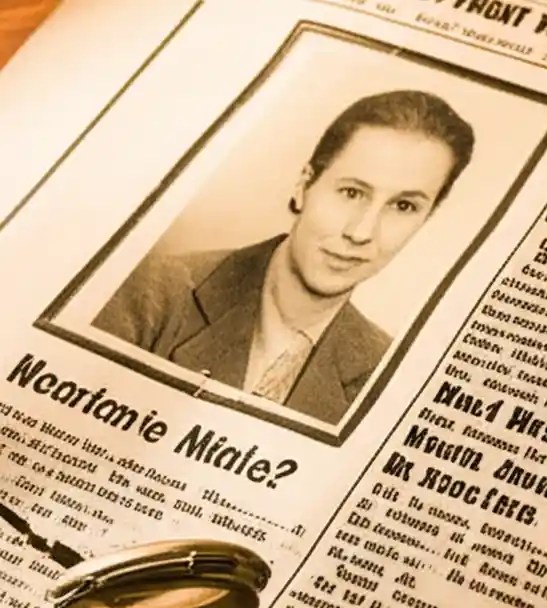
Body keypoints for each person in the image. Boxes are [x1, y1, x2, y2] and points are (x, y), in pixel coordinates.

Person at [92, 89, 475, 424]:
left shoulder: (387, 373)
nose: (360, 232)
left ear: (426, 220)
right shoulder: (155, 292)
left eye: (404, 206)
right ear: (304, 186)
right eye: (351, 193)